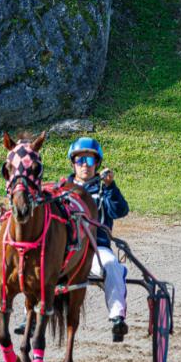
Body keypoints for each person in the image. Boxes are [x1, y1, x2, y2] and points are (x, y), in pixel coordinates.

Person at [67, 136, 131, 342]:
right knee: (41, 266)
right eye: (80, 160)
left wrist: (111, 186)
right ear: (73, 163)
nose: (85, 165)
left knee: (112, 264)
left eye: (90, 160)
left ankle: (117, 317)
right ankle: (29, 319)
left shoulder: (104, 189)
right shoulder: (62, 190)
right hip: (66, 251)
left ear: (97, 163)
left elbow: (120, 211)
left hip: (96, 249)